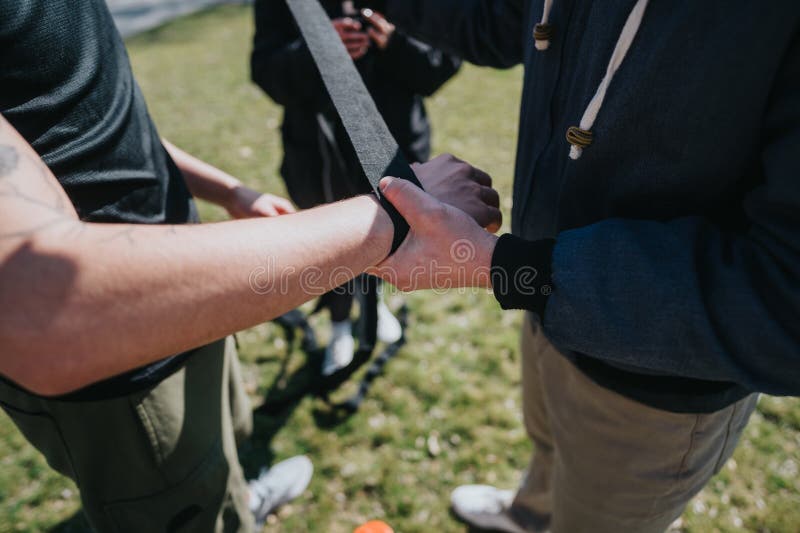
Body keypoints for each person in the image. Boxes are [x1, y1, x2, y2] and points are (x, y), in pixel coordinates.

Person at [0, 1, 501, 531]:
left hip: (190, 290)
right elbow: (41, 314)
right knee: (181, 495)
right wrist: (395, 220)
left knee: (221, 447)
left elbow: (90, 115)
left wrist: (226, 190)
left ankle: (240, 498)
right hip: (125, 349)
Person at [356, 0, 800, 532]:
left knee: (599, 516)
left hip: (658, 381)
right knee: (546, 443)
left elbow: (785, 301)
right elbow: (500, 23)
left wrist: (505, 265)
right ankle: (528, 513)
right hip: (546, 302)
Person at [251, 0, 461, 375]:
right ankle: (339, 324)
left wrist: (394, 42)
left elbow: (441, 64)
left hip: (394, 150)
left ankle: (373, 304)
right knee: (327, 247)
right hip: (317, 153)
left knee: (385, 242)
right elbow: (266, 70)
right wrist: (316, 48)